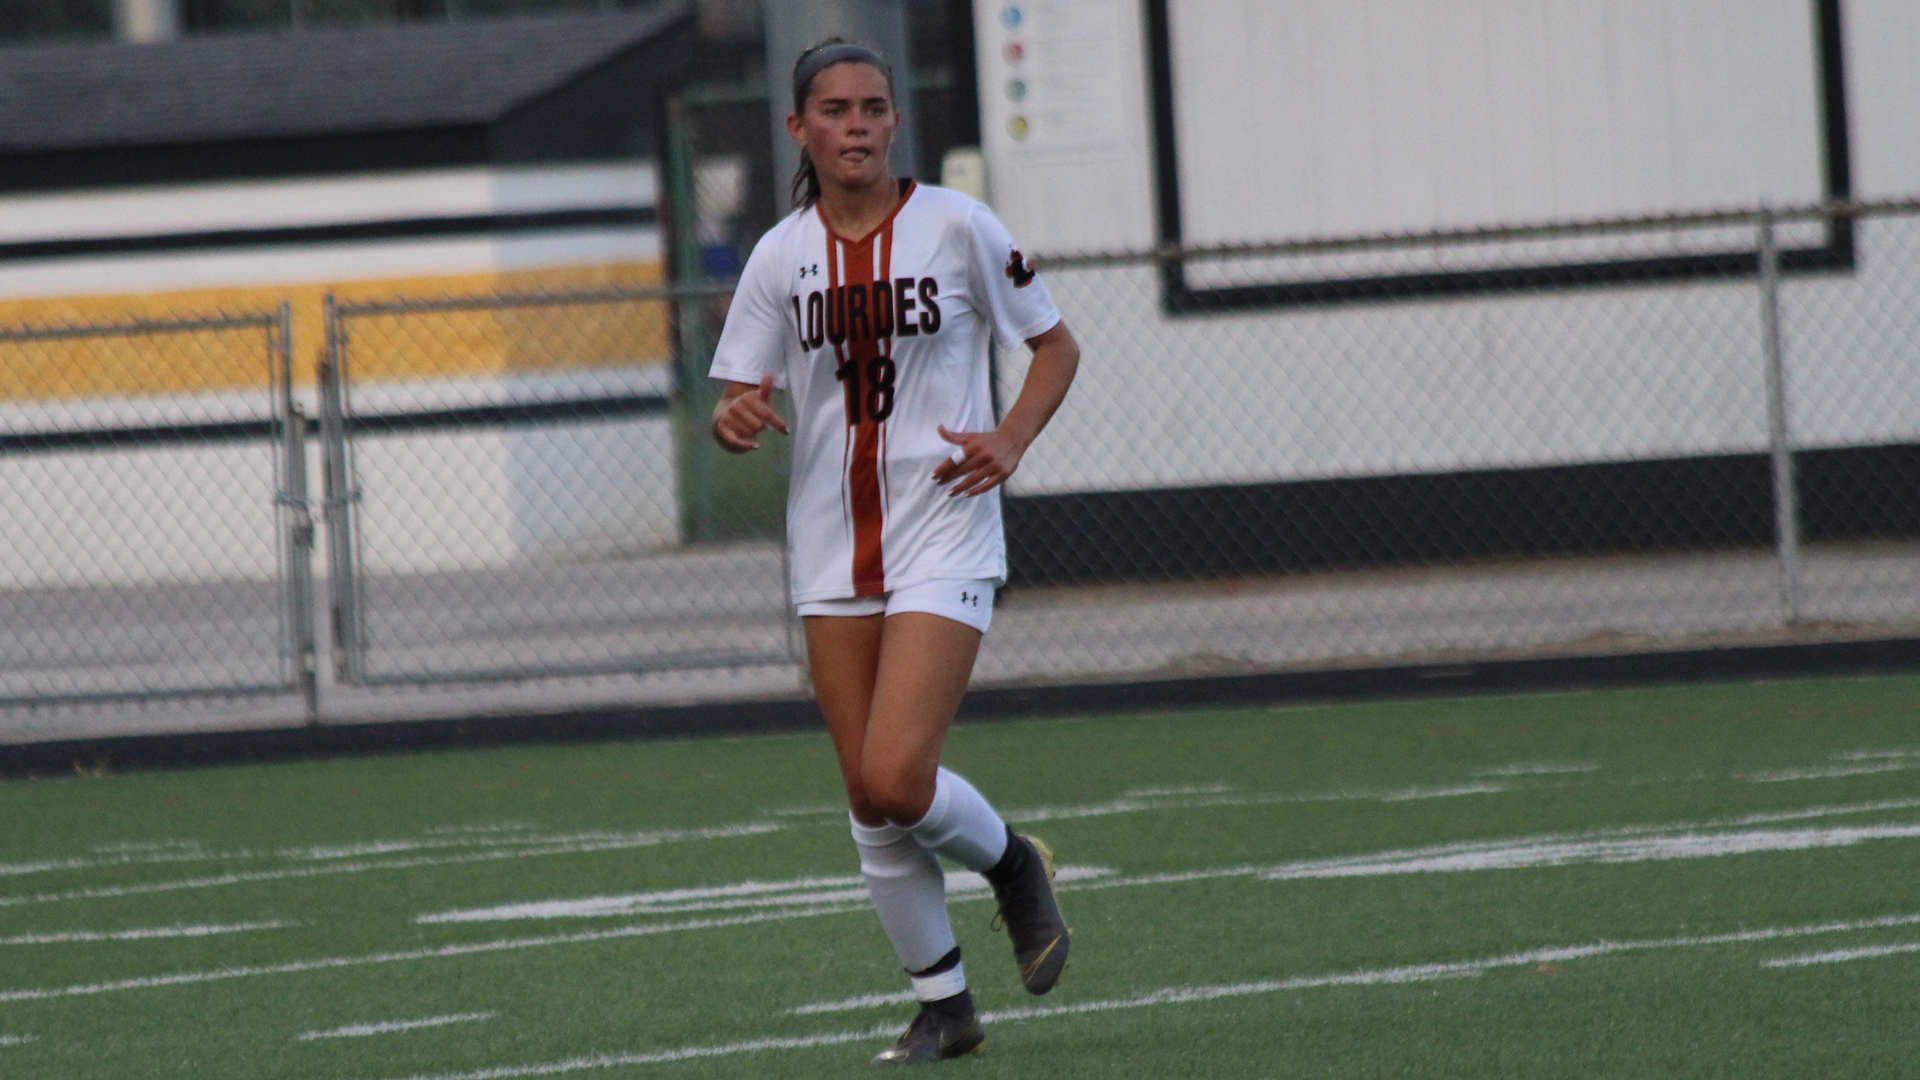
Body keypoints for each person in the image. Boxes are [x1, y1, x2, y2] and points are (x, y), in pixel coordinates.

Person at [708, 38, 1082, 1066]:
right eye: (834, 110)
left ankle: (1012, 865)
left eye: (873, 107)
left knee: (897, 773)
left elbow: (1055, 345)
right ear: (799, 129)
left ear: (895, 121)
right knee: (868, 798)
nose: (857, 125)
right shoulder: (780, 256)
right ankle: (944, 1006)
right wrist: (733, 421)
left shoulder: (958, 226)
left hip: (943, 528)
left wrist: (1011, 438)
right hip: (830, 546)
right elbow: (738, 400)